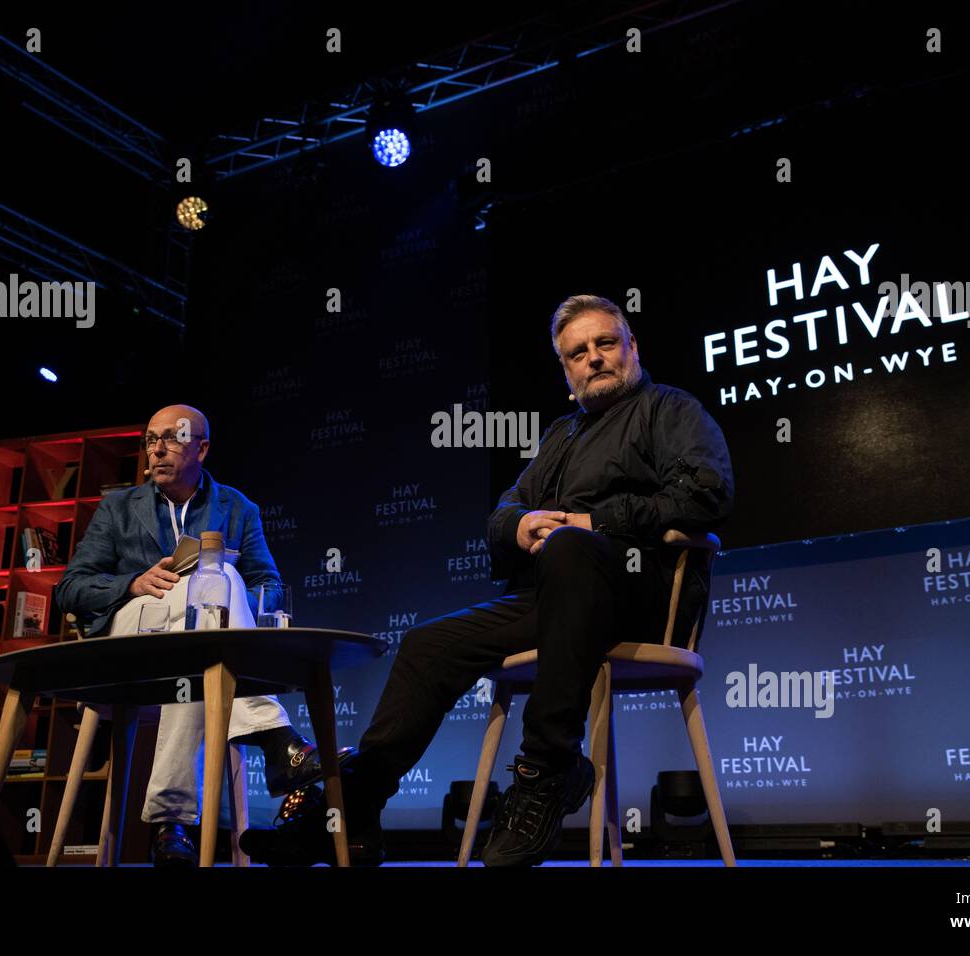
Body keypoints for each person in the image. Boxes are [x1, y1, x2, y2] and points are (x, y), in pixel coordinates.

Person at [242, 294, 735, 867]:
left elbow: (707, 493)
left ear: (633, 347)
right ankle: (355, 806)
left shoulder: (671, 409)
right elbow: (505, 510)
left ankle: (546, 769)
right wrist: (519, 525)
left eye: (606, 343)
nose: (594, 358)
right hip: (556, 598)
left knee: (571, 546)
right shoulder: (562, 434)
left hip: (640, 595)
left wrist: (594, 522)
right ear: (566, 370)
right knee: (428, 645)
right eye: (578, 353)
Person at [53, 404, 349, 866]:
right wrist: (132, 583)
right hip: (131, 639)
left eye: (172, 438)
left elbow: (268, 584)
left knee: (209, 615)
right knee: (217, 582)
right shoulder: (117, 508)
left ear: (202, 448)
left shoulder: (238, 508)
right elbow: (69, 589)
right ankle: (277, 740)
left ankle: (171, 825)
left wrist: (224, 593)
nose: (157, 449)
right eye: (151, 440)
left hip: (193, 650)